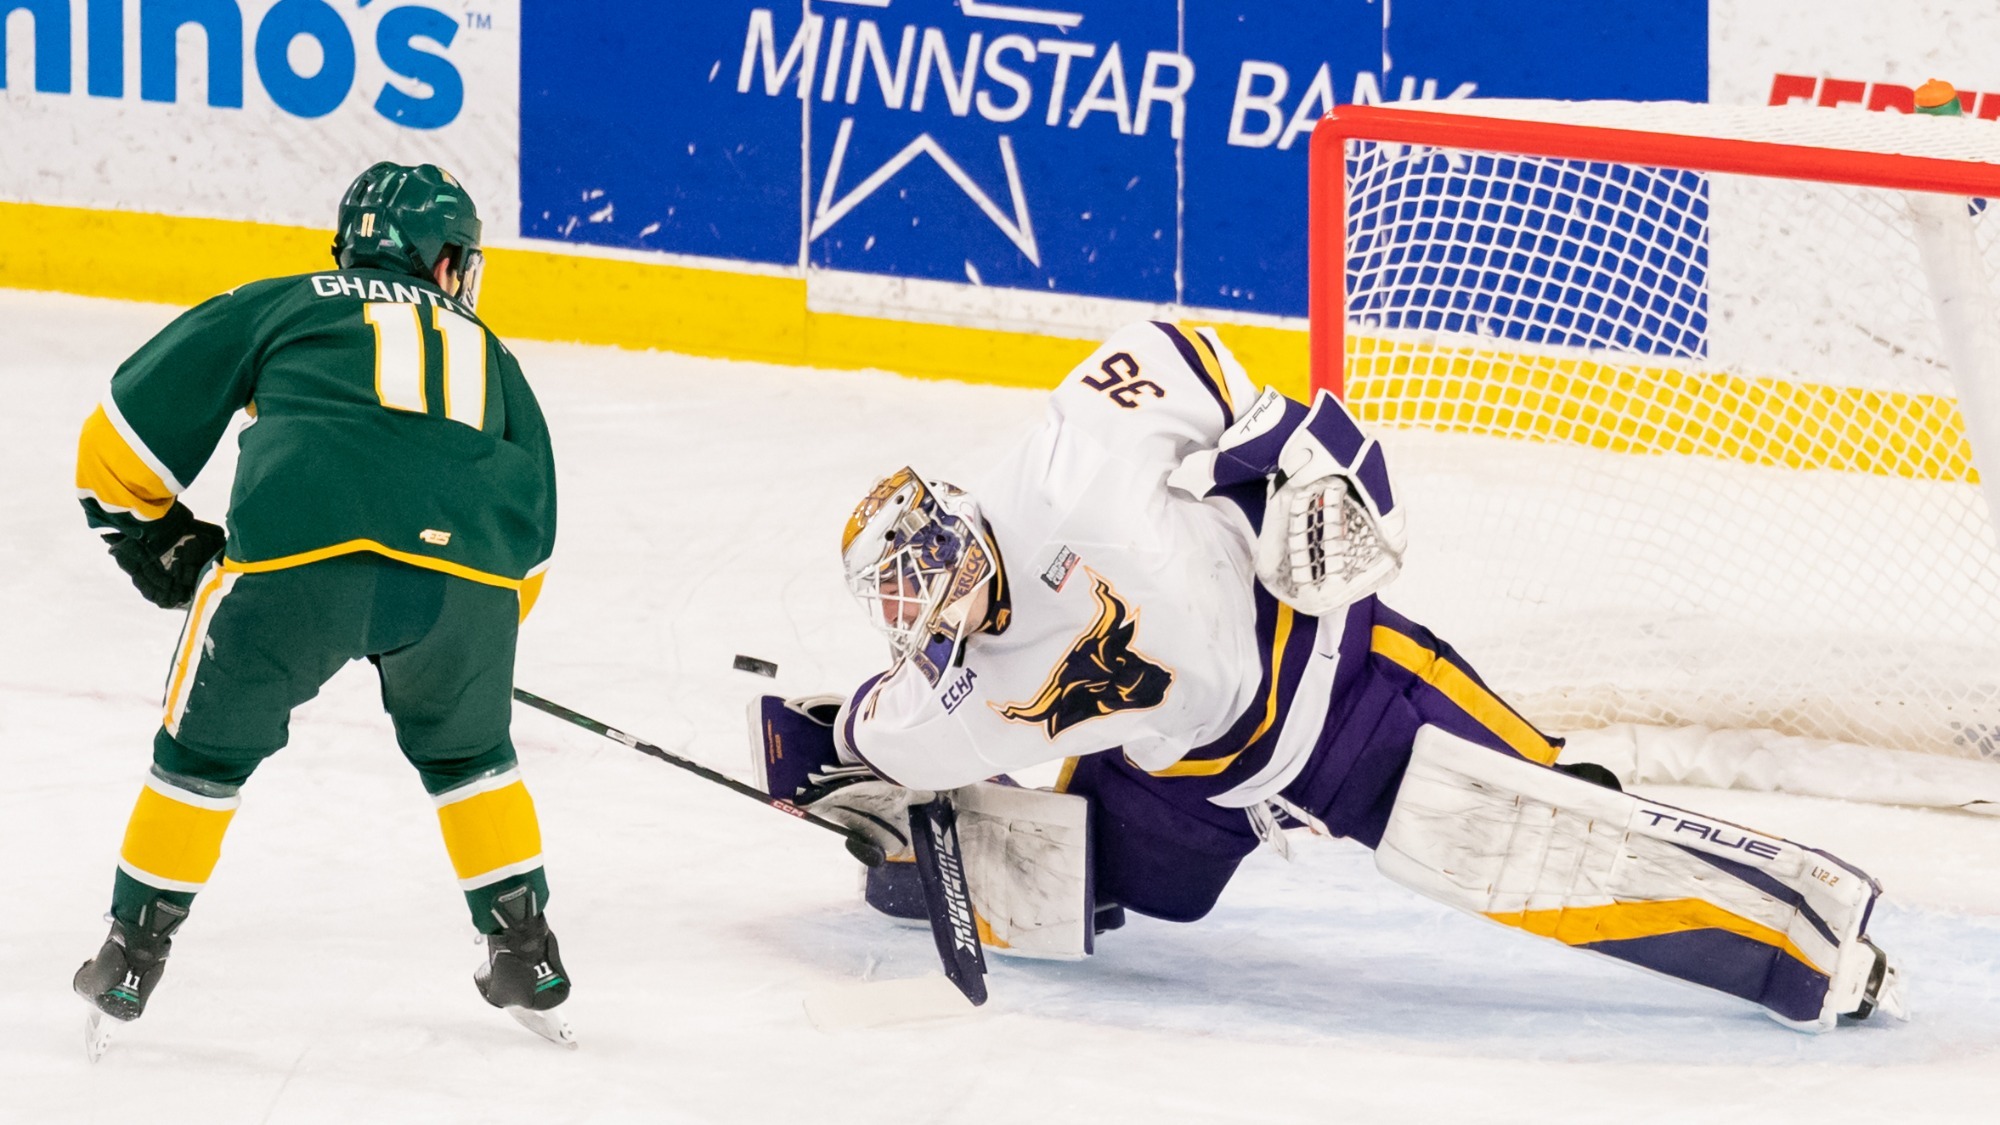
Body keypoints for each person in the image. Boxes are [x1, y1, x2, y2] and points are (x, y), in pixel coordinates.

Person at [753, 321, 1906, 1032]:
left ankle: (1810, 952)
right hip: (1188, 783)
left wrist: (1269, 446)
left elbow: (1170, 354)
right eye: (896, 600)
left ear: (959, 522)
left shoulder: (1060, 476)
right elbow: (888, 727)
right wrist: (840, 744)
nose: (922, 601)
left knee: (1550, 820)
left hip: (1340, 696)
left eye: (924, 570)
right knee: (1091, 874)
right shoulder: (960, 687)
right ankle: (906, 861)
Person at [71, 162, 570, 1054]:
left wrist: (154, 540)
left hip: (297, 560)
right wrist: (469, 636)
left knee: (204, 750)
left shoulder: (288, 301)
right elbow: (530, 539)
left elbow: (120, 439)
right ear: (445, 261)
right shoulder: (492, 350)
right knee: (470, 755)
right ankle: (524, 949)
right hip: (467, 590)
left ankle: (133, 950)